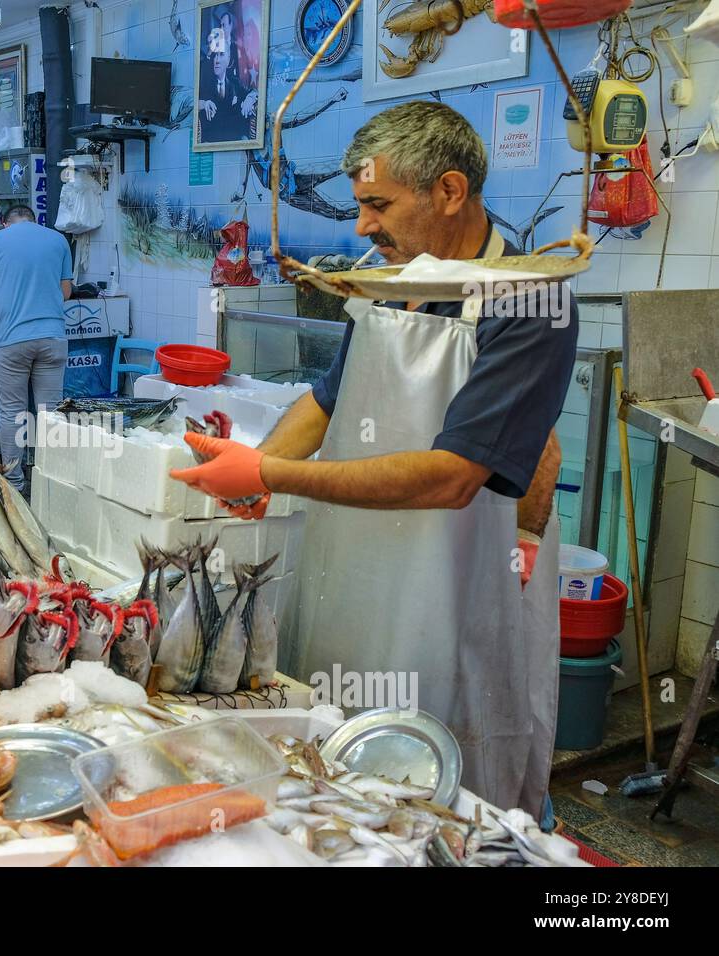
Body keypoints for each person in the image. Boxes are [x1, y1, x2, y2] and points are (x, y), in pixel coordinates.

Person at [170, 101, 577, 816]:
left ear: (449, 193)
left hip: (457, 580)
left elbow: (454, 476)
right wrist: (251, 474)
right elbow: (327, 401)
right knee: (336, 766)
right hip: (358, 562)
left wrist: (270, 474)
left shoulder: (529, 299)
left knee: (440, 783)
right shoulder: (397, 279)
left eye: (377, 205)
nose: (362, 227)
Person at [0, 205, 73, 493]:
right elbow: (65, 291)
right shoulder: (57, 240)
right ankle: (50, 481)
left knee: (11, 414)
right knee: (51, 413)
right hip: (52, 338)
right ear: (35, 221)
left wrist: (12, 302)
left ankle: (15, 484)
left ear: (5, 222)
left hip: (11, 340)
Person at [198, 24, 256, 144]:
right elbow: (192, 103)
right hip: (210, 141)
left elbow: (253, 92)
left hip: (236, 140)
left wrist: (250, 99)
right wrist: (204, 104)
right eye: (215, 55)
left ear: (228, 59)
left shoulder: (235, 82)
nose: (217, 60)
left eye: (221, 55)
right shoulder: (204, 80)